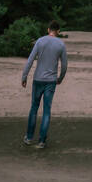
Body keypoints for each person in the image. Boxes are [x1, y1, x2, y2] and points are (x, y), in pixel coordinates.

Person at [21, 21, 67, 149]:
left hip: (38, 79)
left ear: (48, 29)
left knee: (34, 108)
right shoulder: (61, 44)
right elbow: (64, 65)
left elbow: (30, 60)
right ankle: (41, 141)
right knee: (47, 110)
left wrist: (24, 76)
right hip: (51, 81)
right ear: (58, 31)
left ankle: (29, 138)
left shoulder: (40, 41)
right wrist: (60, 78)